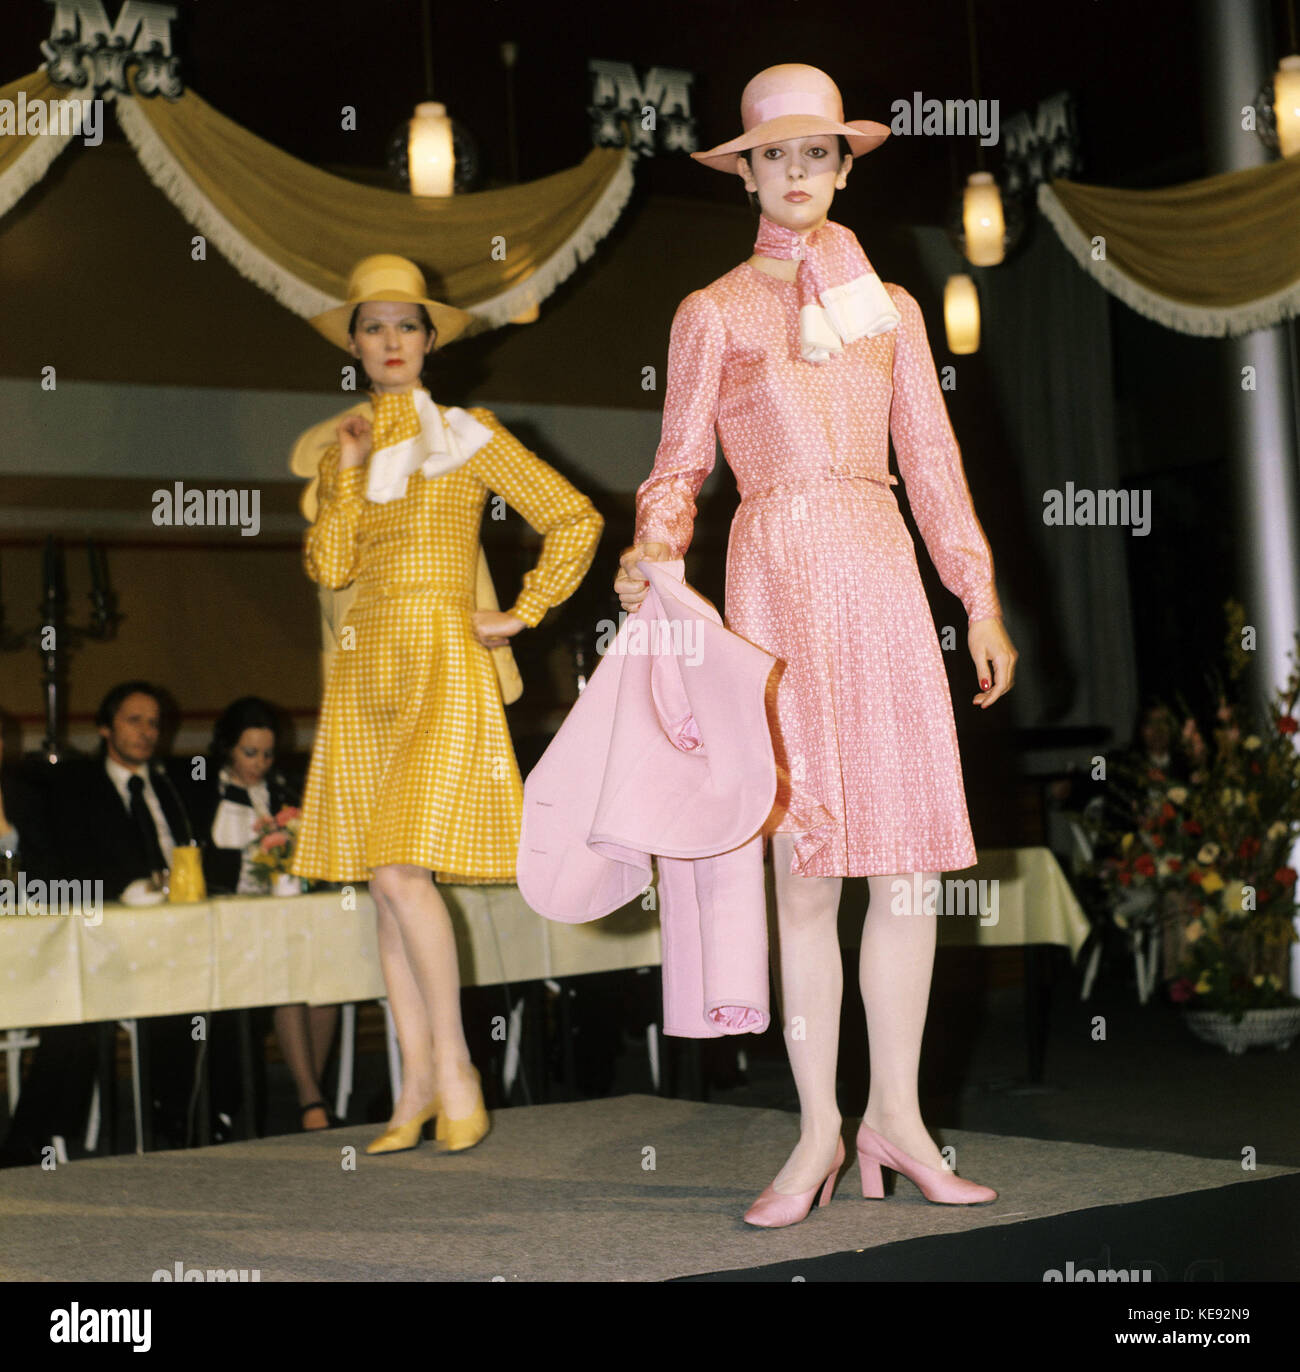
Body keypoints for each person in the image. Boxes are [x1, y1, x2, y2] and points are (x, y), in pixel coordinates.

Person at [615, 66, 1018, 1226]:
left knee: (906, 871)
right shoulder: (713, 309)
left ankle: (897, 1115)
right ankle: (814, 1132)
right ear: (744, 170)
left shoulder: (887, 303)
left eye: (815, 154)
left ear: (846, 166)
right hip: (777, 587)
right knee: (806, 879)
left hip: (883, 579)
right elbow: (678, 467)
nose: (795, 173)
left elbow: (935, 468)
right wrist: (657, 551)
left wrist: (977, 598)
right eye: (772, 155)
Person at [291, 255, 603, 1155]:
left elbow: (574, 517)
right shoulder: (343, 444)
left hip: (444, 654)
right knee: (387, 890)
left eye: (407, 325)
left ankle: (458, 1071)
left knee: (398, 871)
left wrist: (525, 612)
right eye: (374, 326)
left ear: (430, 341)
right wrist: (347, 467)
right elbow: (328, 567)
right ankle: (415, 1084)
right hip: (364, 669)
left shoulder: (468, 432)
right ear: (354, 343)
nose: (390, 341)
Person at [2, 682, 204, 1162]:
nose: (147, 732)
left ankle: (183, 1117)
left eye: (154, 722)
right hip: (84, 936)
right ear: (105, 728)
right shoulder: (75, 786)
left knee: (201, 986)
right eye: (134, 720)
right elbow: (69, 867)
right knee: (79, 1005)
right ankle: (32, 1137)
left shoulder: (175, 785)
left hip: (162, 934)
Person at [190, 696, 337, 1132]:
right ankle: (311, 1100)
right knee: (289, 980)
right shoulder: (200, 790)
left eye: (267, 754)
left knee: (326, 982)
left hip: (283, 923)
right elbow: (196, 863)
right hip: (223, 930)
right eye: (249, 752)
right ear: (227, 748)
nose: (259, 764)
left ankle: (313, 1091)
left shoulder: (284, 793)